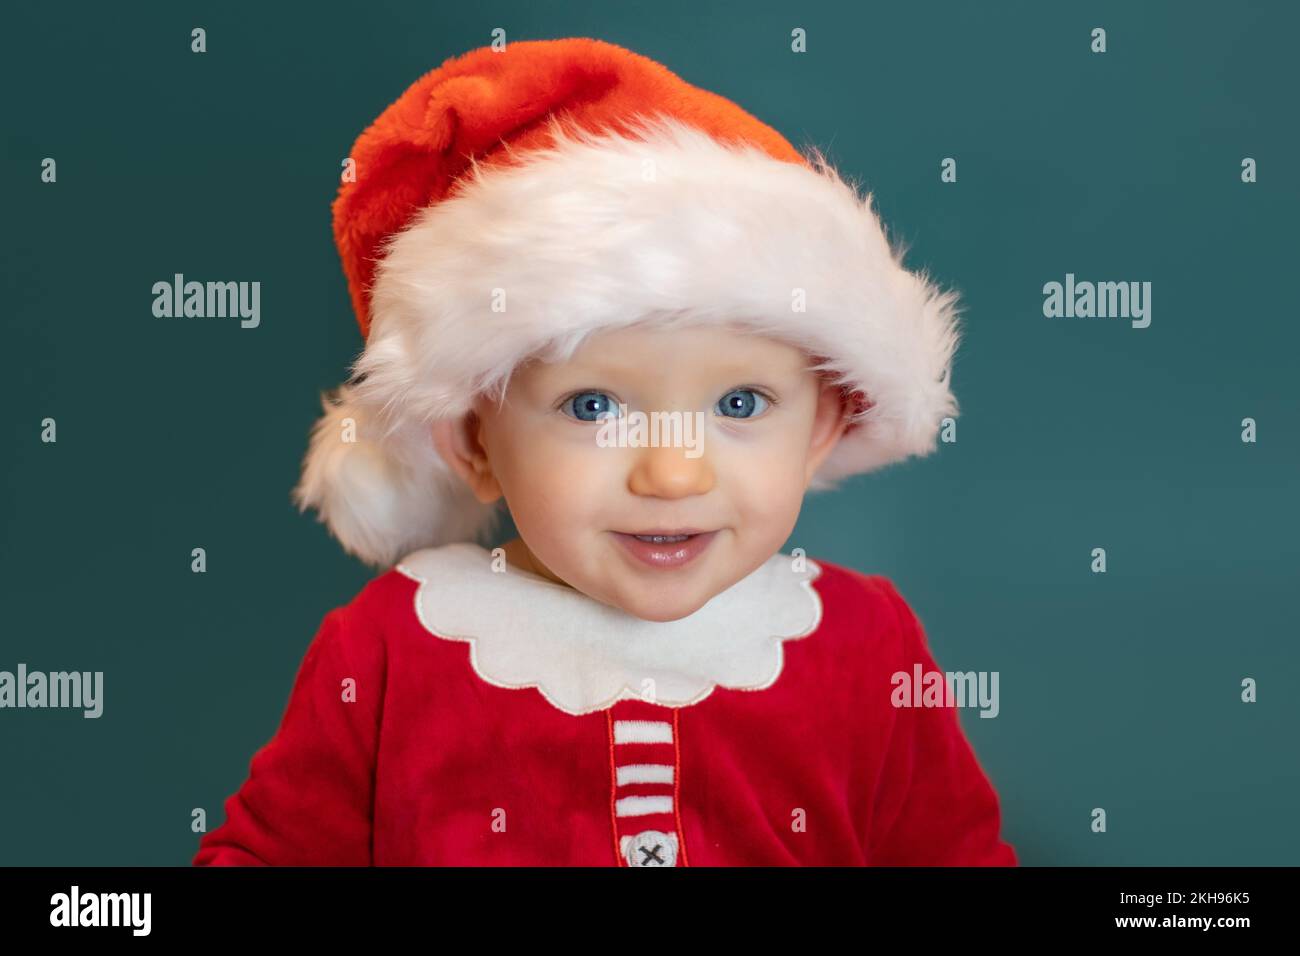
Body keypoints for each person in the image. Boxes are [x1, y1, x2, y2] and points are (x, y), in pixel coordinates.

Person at [192, 36, 1016, 866]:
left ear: (822, 429)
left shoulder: (863, 641)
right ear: (476, 440)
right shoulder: (392, 646)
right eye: (592, 407)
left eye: (739, 403)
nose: (671, 473)